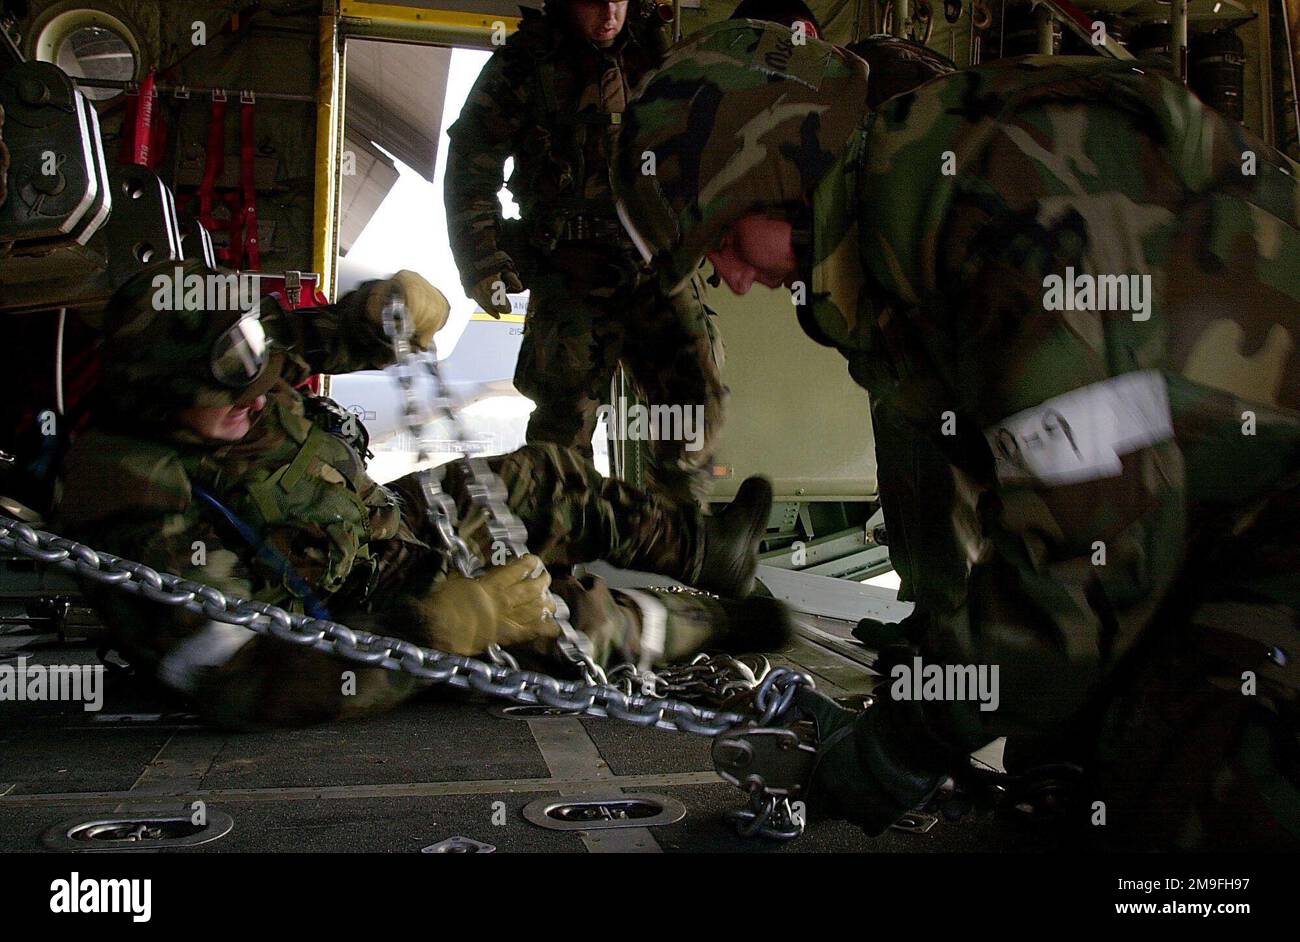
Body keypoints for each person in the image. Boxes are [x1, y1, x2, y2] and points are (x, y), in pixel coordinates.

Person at [610, 21, 1300, 849]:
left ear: (780, 167)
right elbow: (1041, 535)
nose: (731, 276)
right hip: (1222, 515)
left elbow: (1082, 568)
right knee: (1070, 777)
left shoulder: (989, 194)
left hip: (1266, 512)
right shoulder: (903, 244)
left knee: (1198, 804)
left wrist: (901, 744)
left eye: (724, 237)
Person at [53, 259, 788, 730]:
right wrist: (442, 629)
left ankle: (708, 550)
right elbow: (243, 683)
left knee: (543, 477)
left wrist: (385, 309)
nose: (257, 398)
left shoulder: (230, 359)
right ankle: (707, 627)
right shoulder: (135, 496)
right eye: (229, 399)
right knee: (567, 621)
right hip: (354, 619)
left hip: (382, 526)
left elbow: (324, 334)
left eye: (261, 379)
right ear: (156, 400)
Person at [444, 0, 726, 507]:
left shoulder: (660, 57)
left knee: (692, 403)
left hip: (655, 263)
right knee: (562, 422)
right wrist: (482, 262)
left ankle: (683, 537)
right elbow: (470, 168)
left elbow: (709, 152)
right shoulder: (523, 64)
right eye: (594, 1)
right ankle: (557, 561)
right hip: (569, 267)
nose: (609, 14)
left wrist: (718, 238)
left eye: (620, 0)